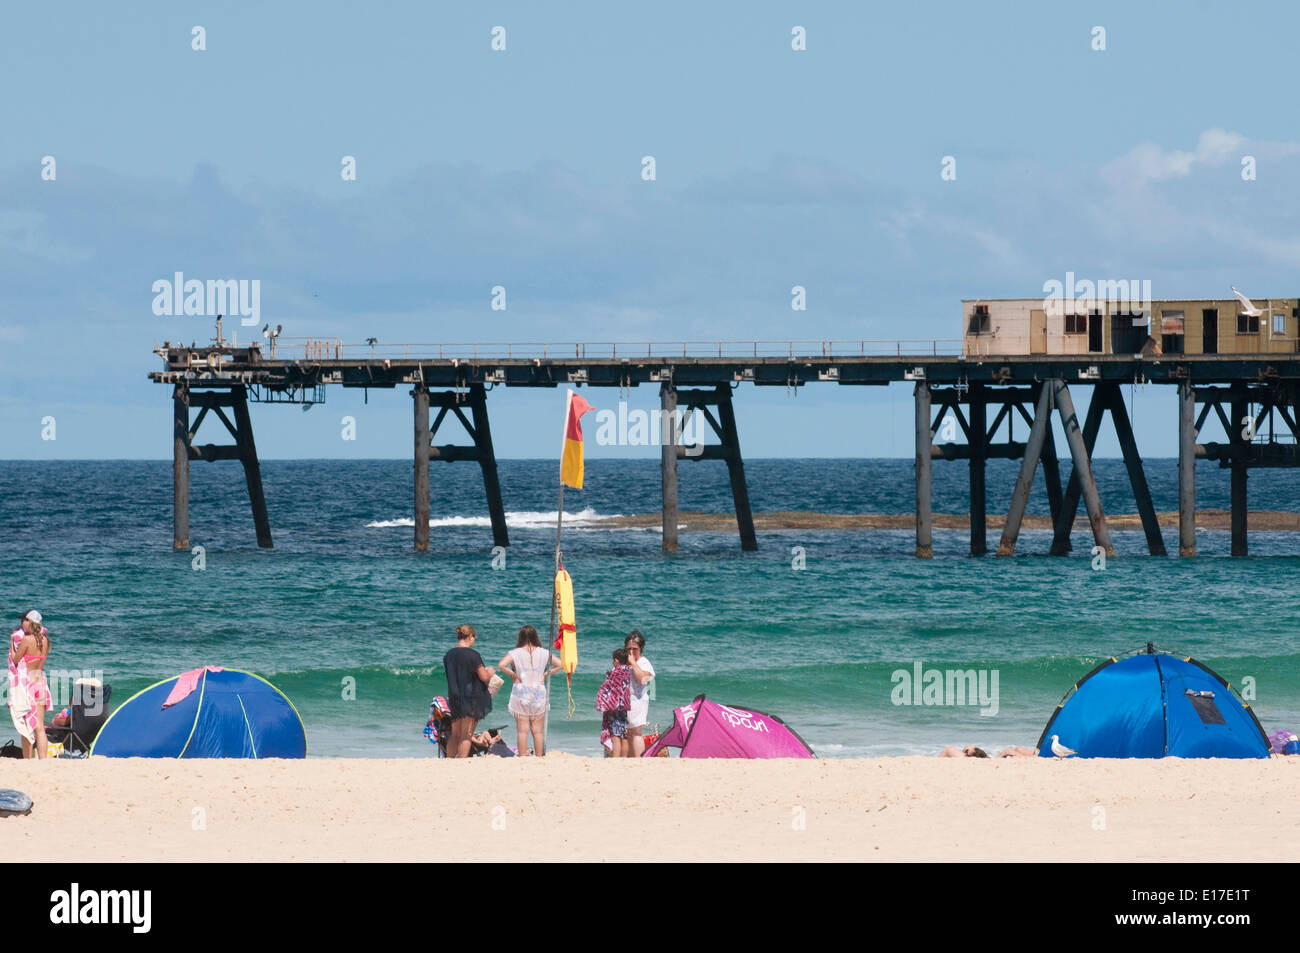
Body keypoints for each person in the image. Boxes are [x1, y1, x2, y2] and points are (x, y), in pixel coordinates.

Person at [498, 625, 562, 757]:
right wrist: (546, 674)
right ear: (535, 637)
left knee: (522, 731)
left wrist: (513, 675)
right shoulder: (544, 652)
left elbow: (501, 665)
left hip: (521, 692)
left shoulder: (515, 653)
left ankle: (522, 757)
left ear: (521, 637)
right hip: (538, 693)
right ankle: (539, 757)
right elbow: (561, 664)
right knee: (537, 731)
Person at [442, 624, 494, 759]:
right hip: (471, 697)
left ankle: (449, 760)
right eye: (474, 638)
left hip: (454, 696)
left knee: (455, 733)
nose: (474, 641)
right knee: (467, 733)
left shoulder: (448, 655)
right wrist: (490, 672)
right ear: (470, 636)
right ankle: (462, 761)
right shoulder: (473, 655)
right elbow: (483, 677)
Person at [9, 610, 51, 760]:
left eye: (24, 621)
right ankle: (43, 760)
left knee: (26, 726)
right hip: (40, 681)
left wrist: (12, 644)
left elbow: (16, 659)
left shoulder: (26, 640)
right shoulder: (45, 640)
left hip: (27, 684)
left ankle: (27, 760)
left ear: (31, 622)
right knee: (40, 727)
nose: (21, 624)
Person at [624, 631, 655, 757]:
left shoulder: (644, 662)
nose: (631, 652)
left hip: (638, 701)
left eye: (634, 649)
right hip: (626, 701)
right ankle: (630, 758)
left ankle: (639, 759)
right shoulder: (626, 662)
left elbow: (641, 678)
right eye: (628, 649)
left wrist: (633, 663)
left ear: (640, 648)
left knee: (636, 732)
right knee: (628, 733)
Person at [596, 648, 633, 757]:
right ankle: (623, 759)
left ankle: (616, 759)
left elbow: (608, 688)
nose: (612, 662)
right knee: (624, 735)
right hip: (624, 706)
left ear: (616, 660)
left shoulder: (615, 672)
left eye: (613, 660)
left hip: (614, 708)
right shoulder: (628, 671)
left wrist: (602, 702)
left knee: (615, 736)